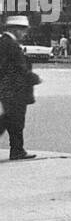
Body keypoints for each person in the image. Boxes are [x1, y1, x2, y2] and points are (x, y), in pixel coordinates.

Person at [0, 14, 40, 160]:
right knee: (14, 120)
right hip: (14, 90)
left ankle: (17, 149)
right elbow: (18, 68)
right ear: (15, 29)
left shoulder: (5, 42)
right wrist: (34, 78)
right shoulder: (10, 44)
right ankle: (17, 151)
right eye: (23, 31)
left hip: (8, 89)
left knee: (10, 120)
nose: (25, 34)